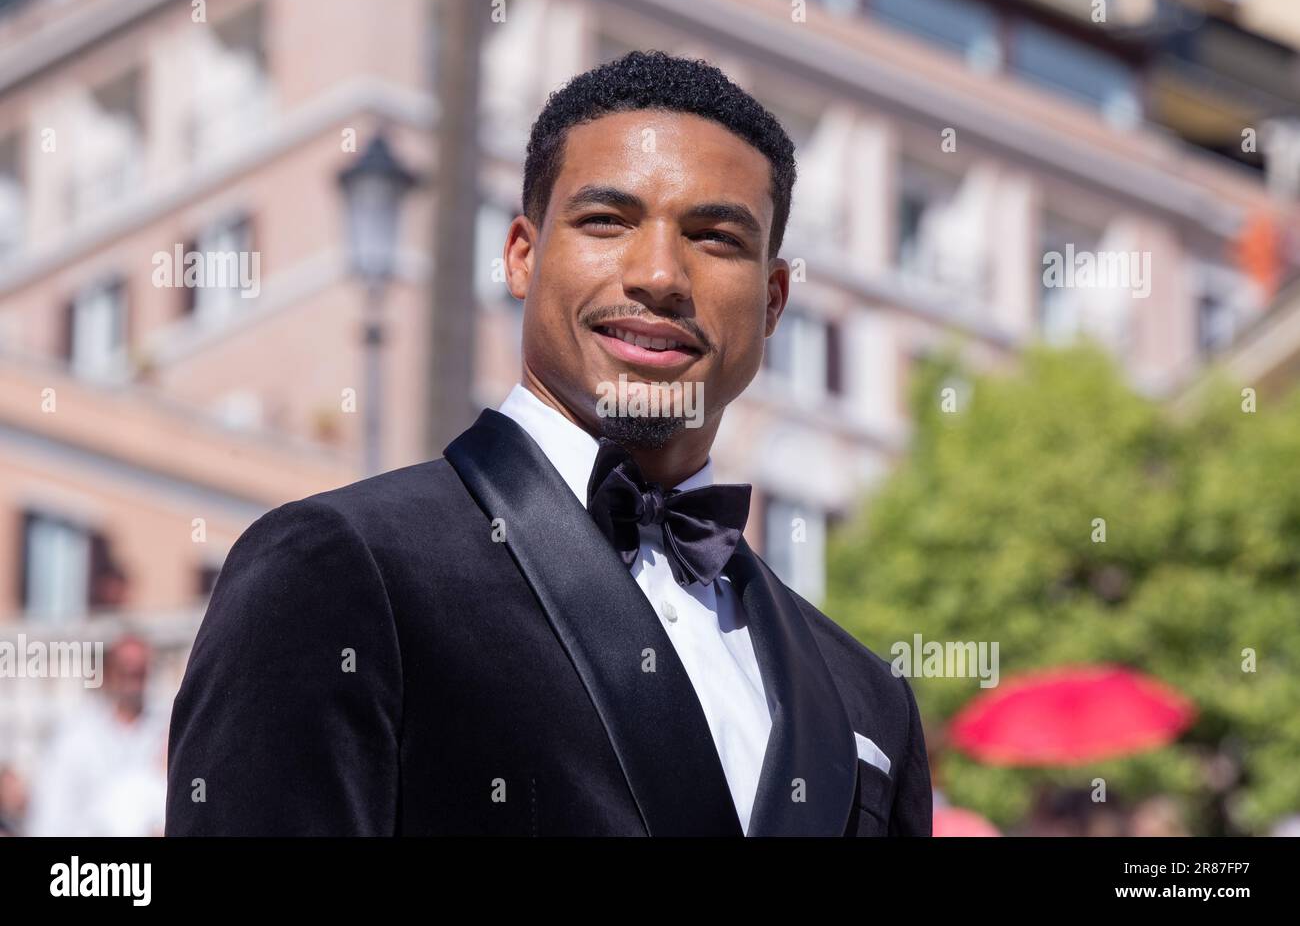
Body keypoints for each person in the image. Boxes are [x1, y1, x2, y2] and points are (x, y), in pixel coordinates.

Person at [166, 50, 932, 836]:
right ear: (521, 256)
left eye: (714, 238)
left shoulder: (867, 695)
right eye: (608, 221)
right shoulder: (341, 566)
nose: (661, 274)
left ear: (773, 301)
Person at [27, 635, 168, 836]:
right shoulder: (75, 737)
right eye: (125, 671)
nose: (133, 681)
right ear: (109, 673)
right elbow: (51, 816)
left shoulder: (165, 731)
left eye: (140, 672)